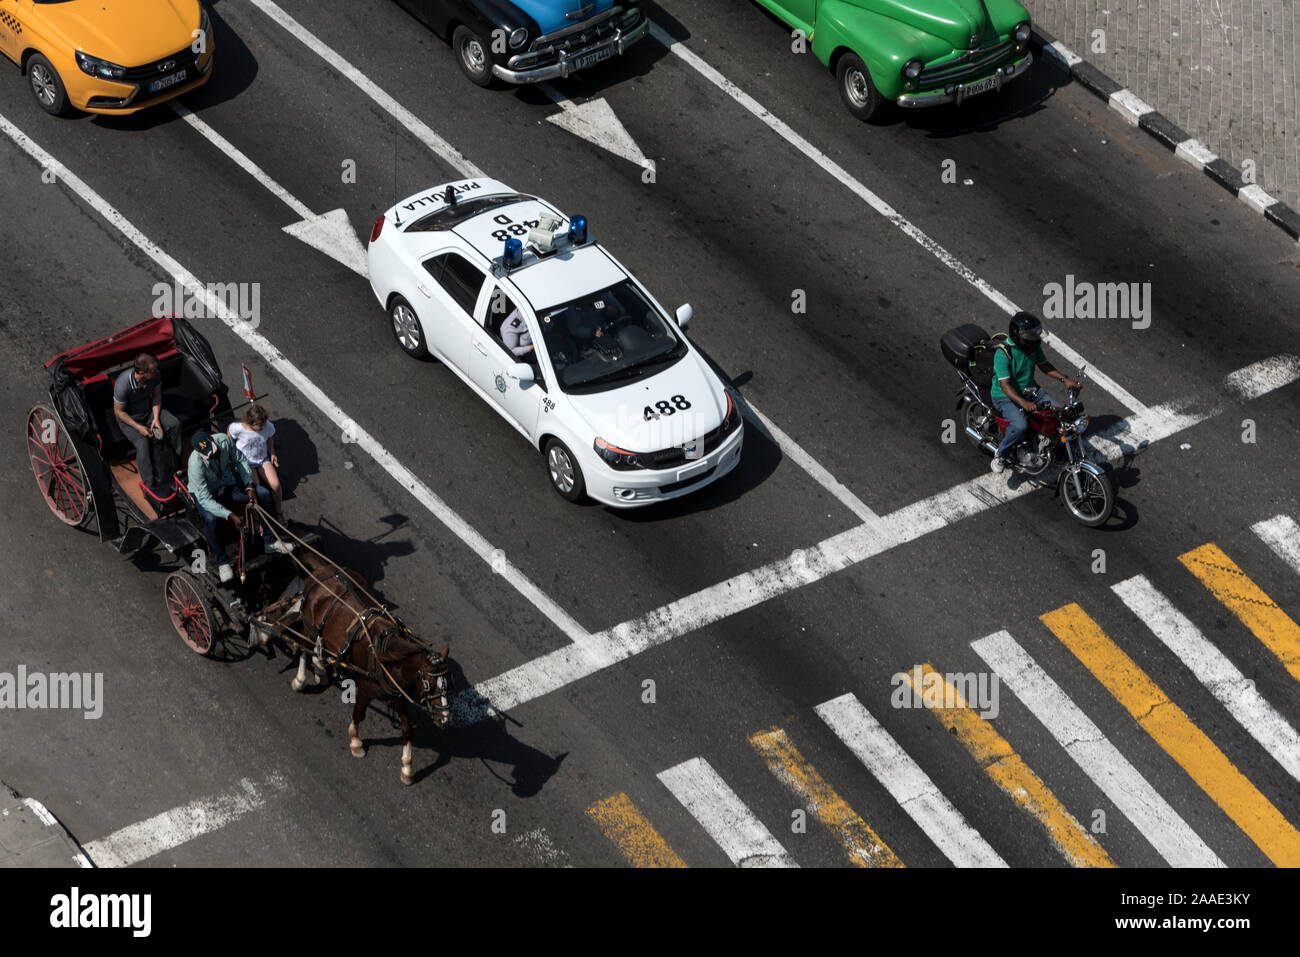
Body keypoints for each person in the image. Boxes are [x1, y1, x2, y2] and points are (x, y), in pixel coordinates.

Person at [187, 430, 291, 583]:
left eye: (214, 451)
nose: (213, 455)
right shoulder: (195, 464)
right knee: (211, 520)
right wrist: (231, 515)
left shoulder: (223, 440)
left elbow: (240, 460)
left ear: (212, 440)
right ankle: (222, 561)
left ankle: (270, 541)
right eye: (209, 455)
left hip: (227, 484)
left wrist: (249, 485)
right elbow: (205, 499)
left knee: (262, 494)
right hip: (208, 494)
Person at [990, 312, 1080, 473]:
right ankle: (1001, 454)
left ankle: (1044, 443)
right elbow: (1005, 386)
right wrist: (1023, 403)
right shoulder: (1003, 354)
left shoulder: (1032, 348)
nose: (1036, 339)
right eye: (1032, 336)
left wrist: (1065, 379)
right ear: (1019, 336)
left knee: (1060, 416)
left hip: (1031, 391)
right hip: (1004, 396)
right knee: (1020, 426)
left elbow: (1044, 365)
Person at [113, 353, 182, 490]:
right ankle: (149, 486)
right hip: (128, 419)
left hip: (148, 412)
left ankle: (177, 465)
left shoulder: (155, 377)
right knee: (142, 444)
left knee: (175, 424)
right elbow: (119, 412)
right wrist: (139, 428)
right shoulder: (123, 384)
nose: (156, 373)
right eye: (153, 371)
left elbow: (156, 396)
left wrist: (156, 419)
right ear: (141, 373)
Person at [228, 404, 283, 519]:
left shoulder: (268, 426)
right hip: (246, 463)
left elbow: (269, 438)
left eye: (264, 424)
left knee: (276, 485)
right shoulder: (238, 428)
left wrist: (272, 452)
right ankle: (258, 519)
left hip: (262, 460)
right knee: (257, 491)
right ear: (251, 422)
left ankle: (279, 512)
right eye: (260, 425)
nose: (263, 427)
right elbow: (229, 435)